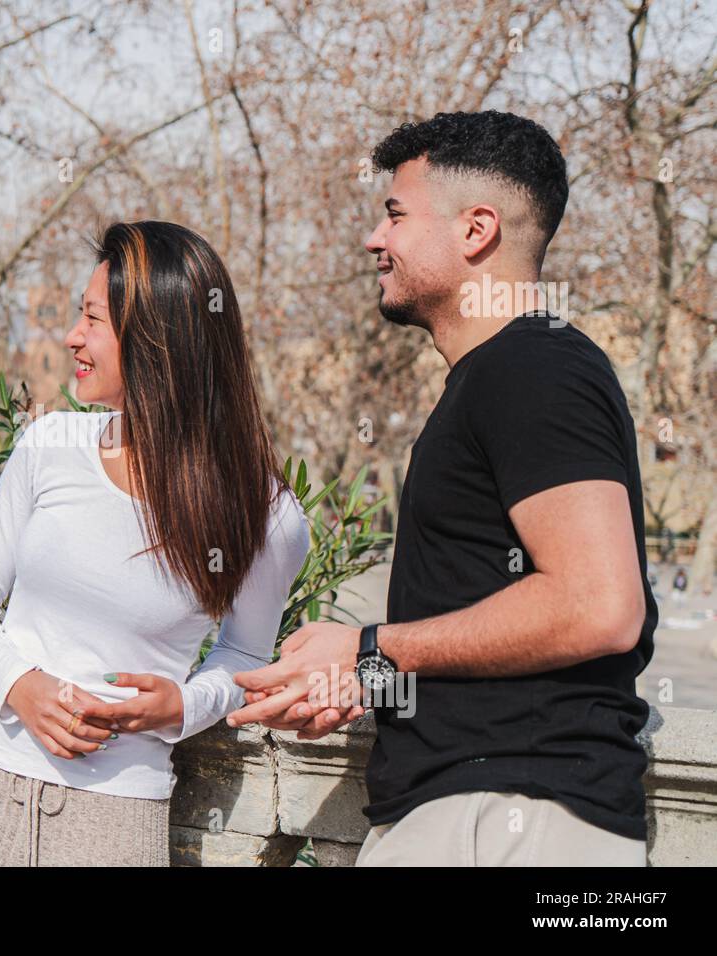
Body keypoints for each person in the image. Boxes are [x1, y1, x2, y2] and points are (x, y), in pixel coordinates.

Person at [230, 111, 655, 866]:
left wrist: (367, 647)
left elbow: (600, 607)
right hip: (479, 813)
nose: (374, 239)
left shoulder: (535, 369)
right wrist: (375, 678)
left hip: (511, 822)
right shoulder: (501, 378)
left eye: (395, 214)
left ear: (476, 230)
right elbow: (490, 644)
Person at [0, 220, 334, 867]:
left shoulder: (269, 515)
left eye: (92, 320)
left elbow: (244, 652)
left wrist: (185, 705)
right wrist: (21, 687)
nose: (73, 337)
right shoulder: (48, 446)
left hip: (118, 815)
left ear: (158, 339)